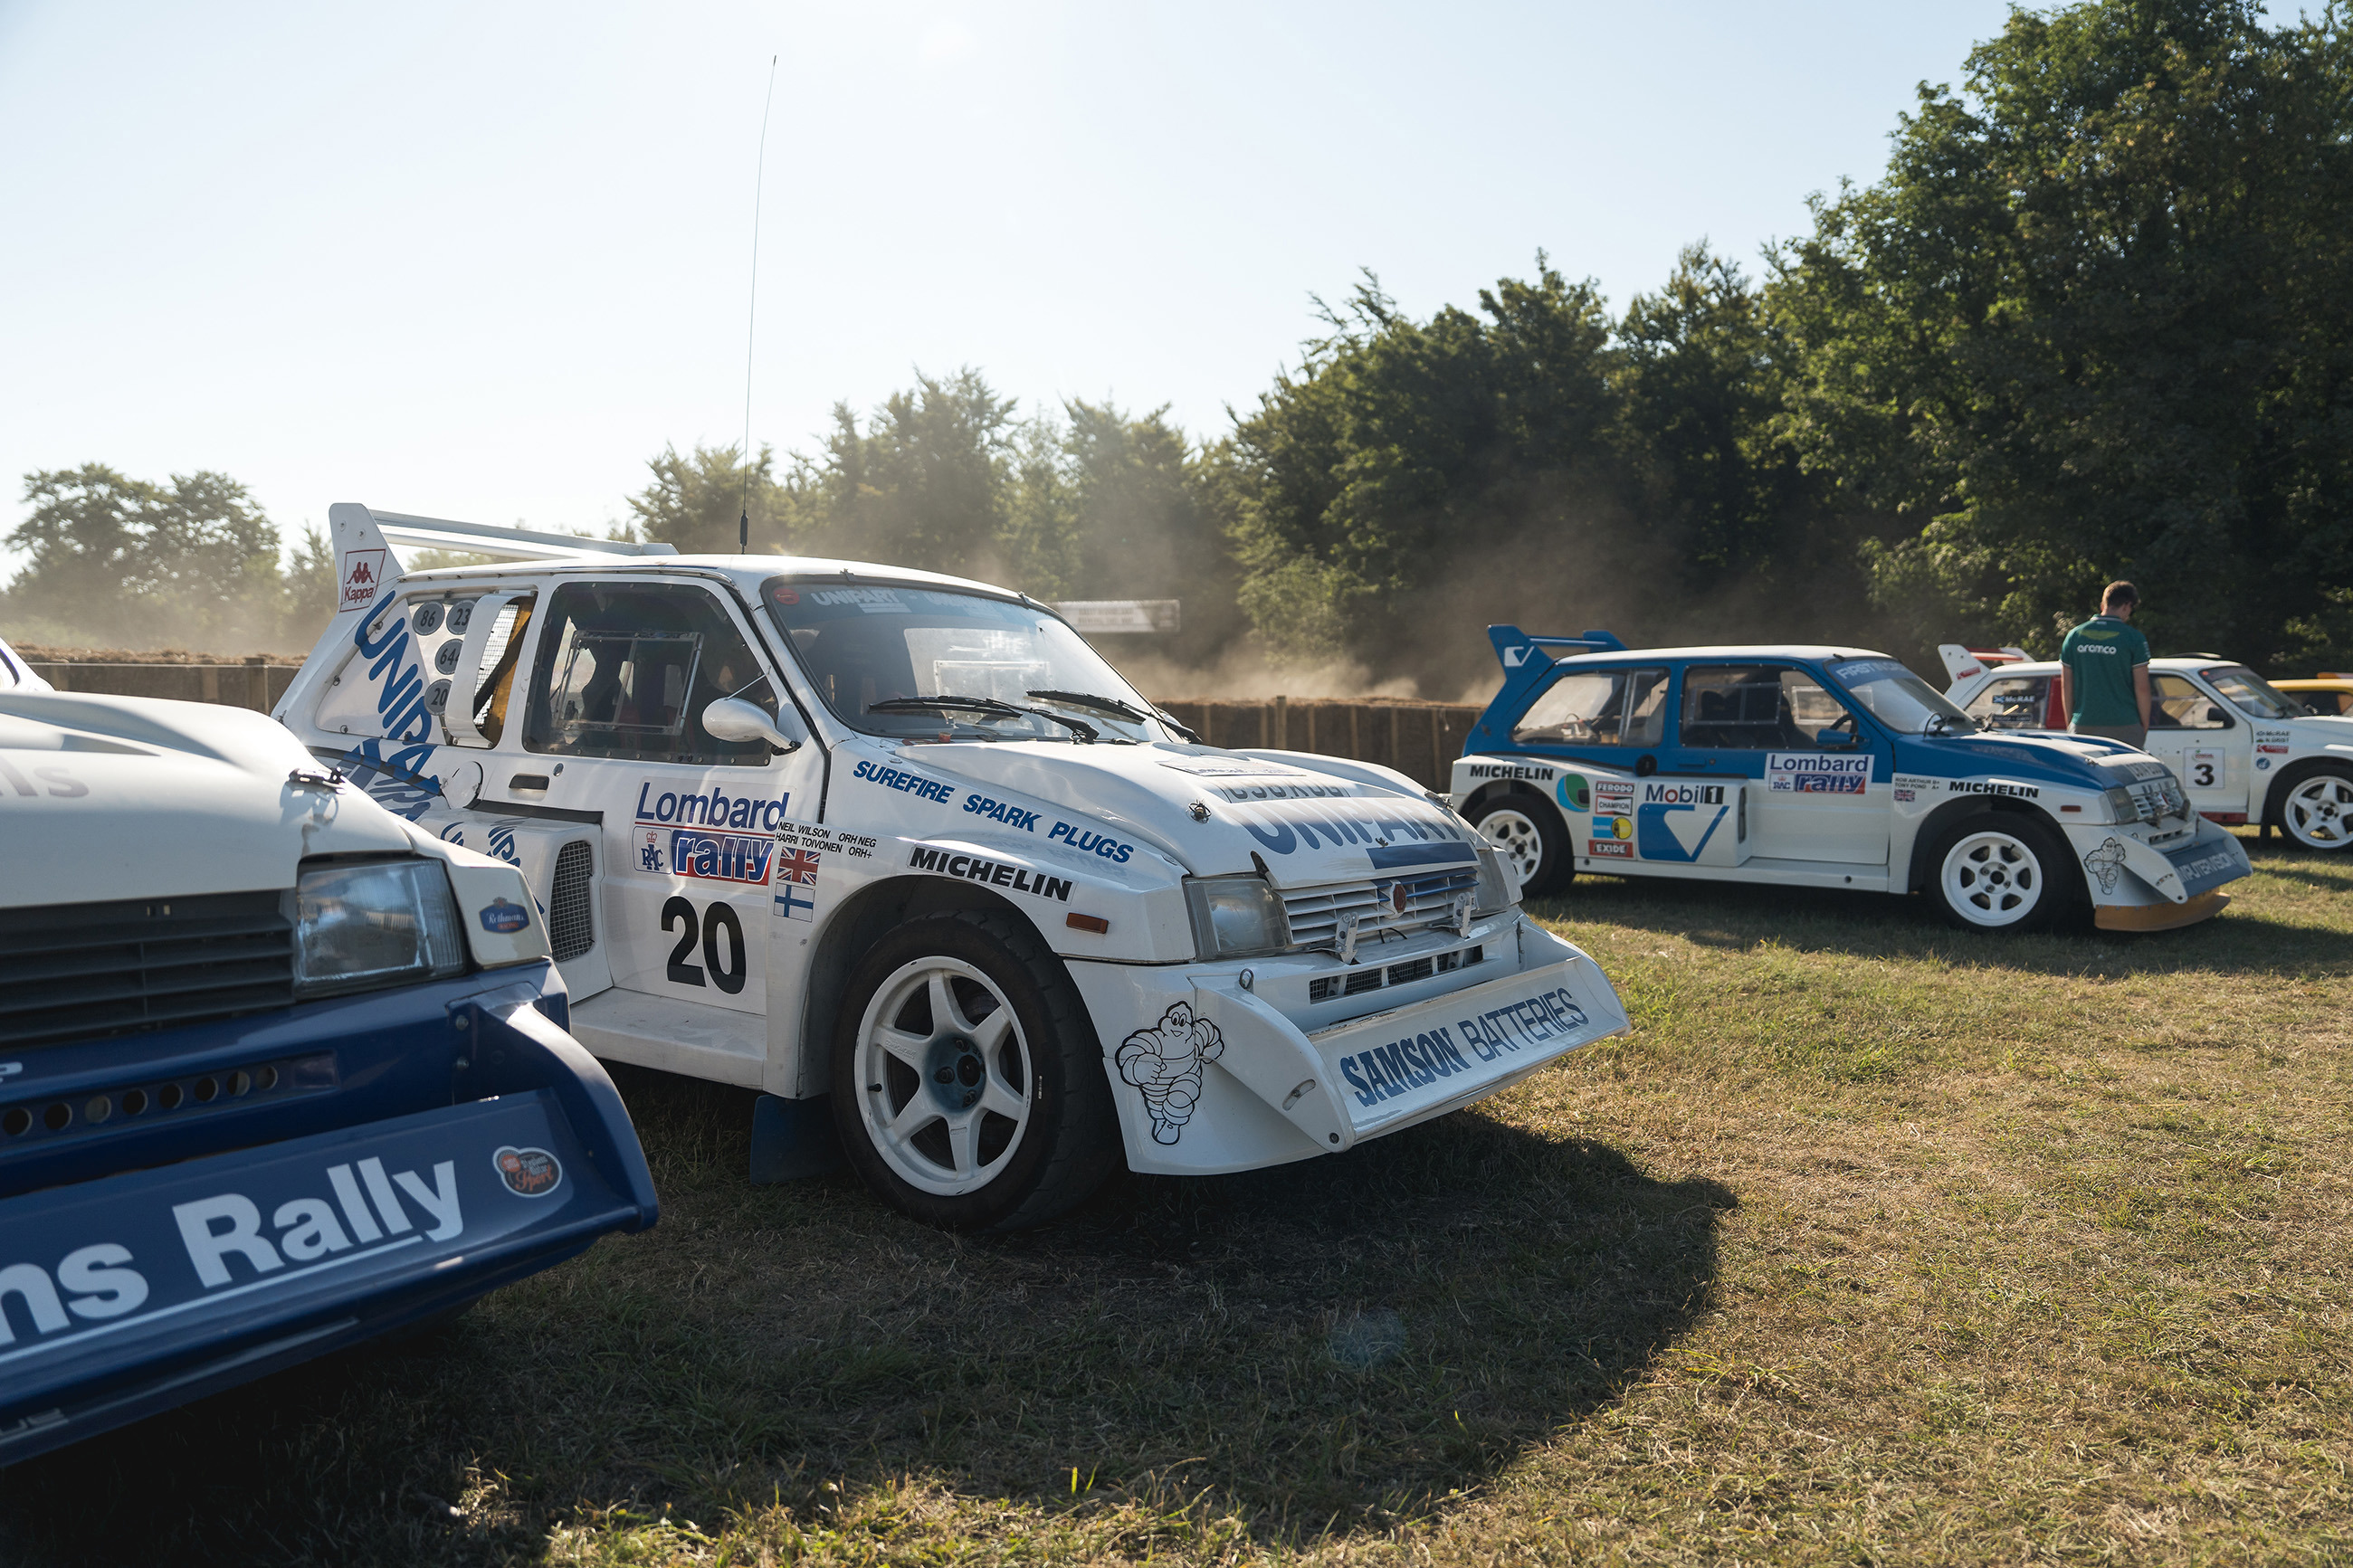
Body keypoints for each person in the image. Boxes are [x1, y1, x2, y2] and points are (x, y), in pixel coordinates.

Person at [2060, 581, 2152, 748]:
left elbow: (2066, 685)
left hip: (2083, 723)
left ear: (2103, 604)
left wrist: (2071, 722)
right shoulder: (2134, 638)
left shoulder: (2074, 636)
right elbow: (2142, 688)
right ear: (2126, 606)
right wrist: (2143, 725)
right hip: (2125, 724)